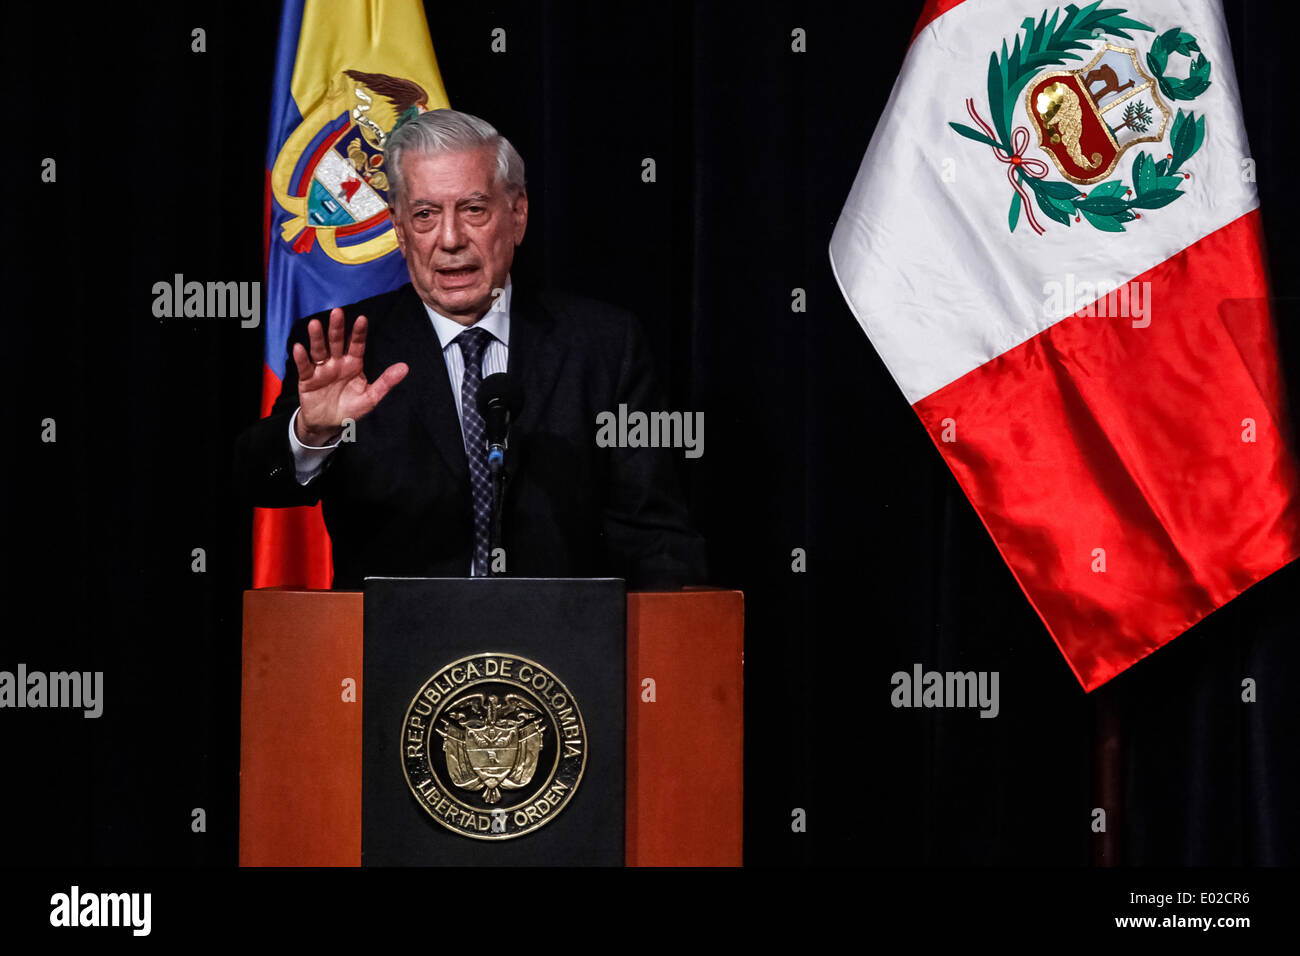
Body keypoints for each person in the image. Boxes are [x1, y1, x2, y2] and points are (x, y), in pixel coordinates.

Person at [234, 109, 707, 589]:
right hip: (396, 650)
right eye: (424, 214)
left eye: (473, 209)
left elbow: (655, 535)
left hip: (560, 650)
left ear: (517, 214)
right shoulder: (343, 346)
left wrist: (666, 653)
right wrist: (311, 433)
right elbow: (260, 484)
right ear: (399, 229)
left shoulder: (604, 345)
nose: (451, 239)